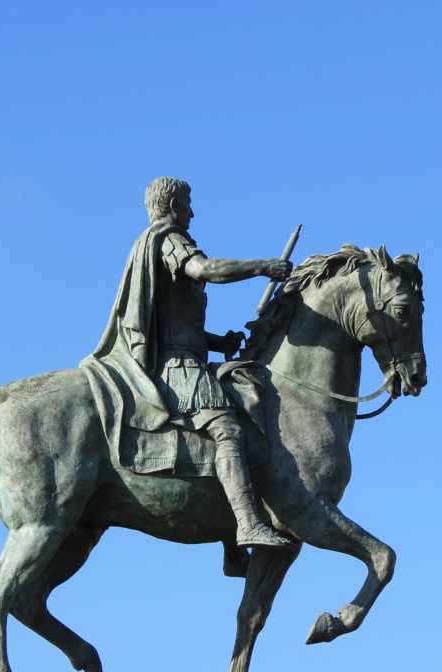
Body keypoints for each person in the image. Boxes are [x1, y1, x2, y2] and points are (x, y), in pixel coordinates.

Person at [91, 176, 292, 548]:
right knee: (228, 431)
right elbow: (205, 270)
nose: (192, 212)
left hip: (184, 356)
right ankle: (246, 524)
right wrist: (262, 266)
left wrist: (219, 342)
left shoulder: (151, 244)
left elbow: (172, 325)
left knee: (244, 413)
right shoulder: (169, 238)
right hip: (176, 368)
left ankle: (232, 551)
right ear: (171, 207)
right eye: (187, 204)